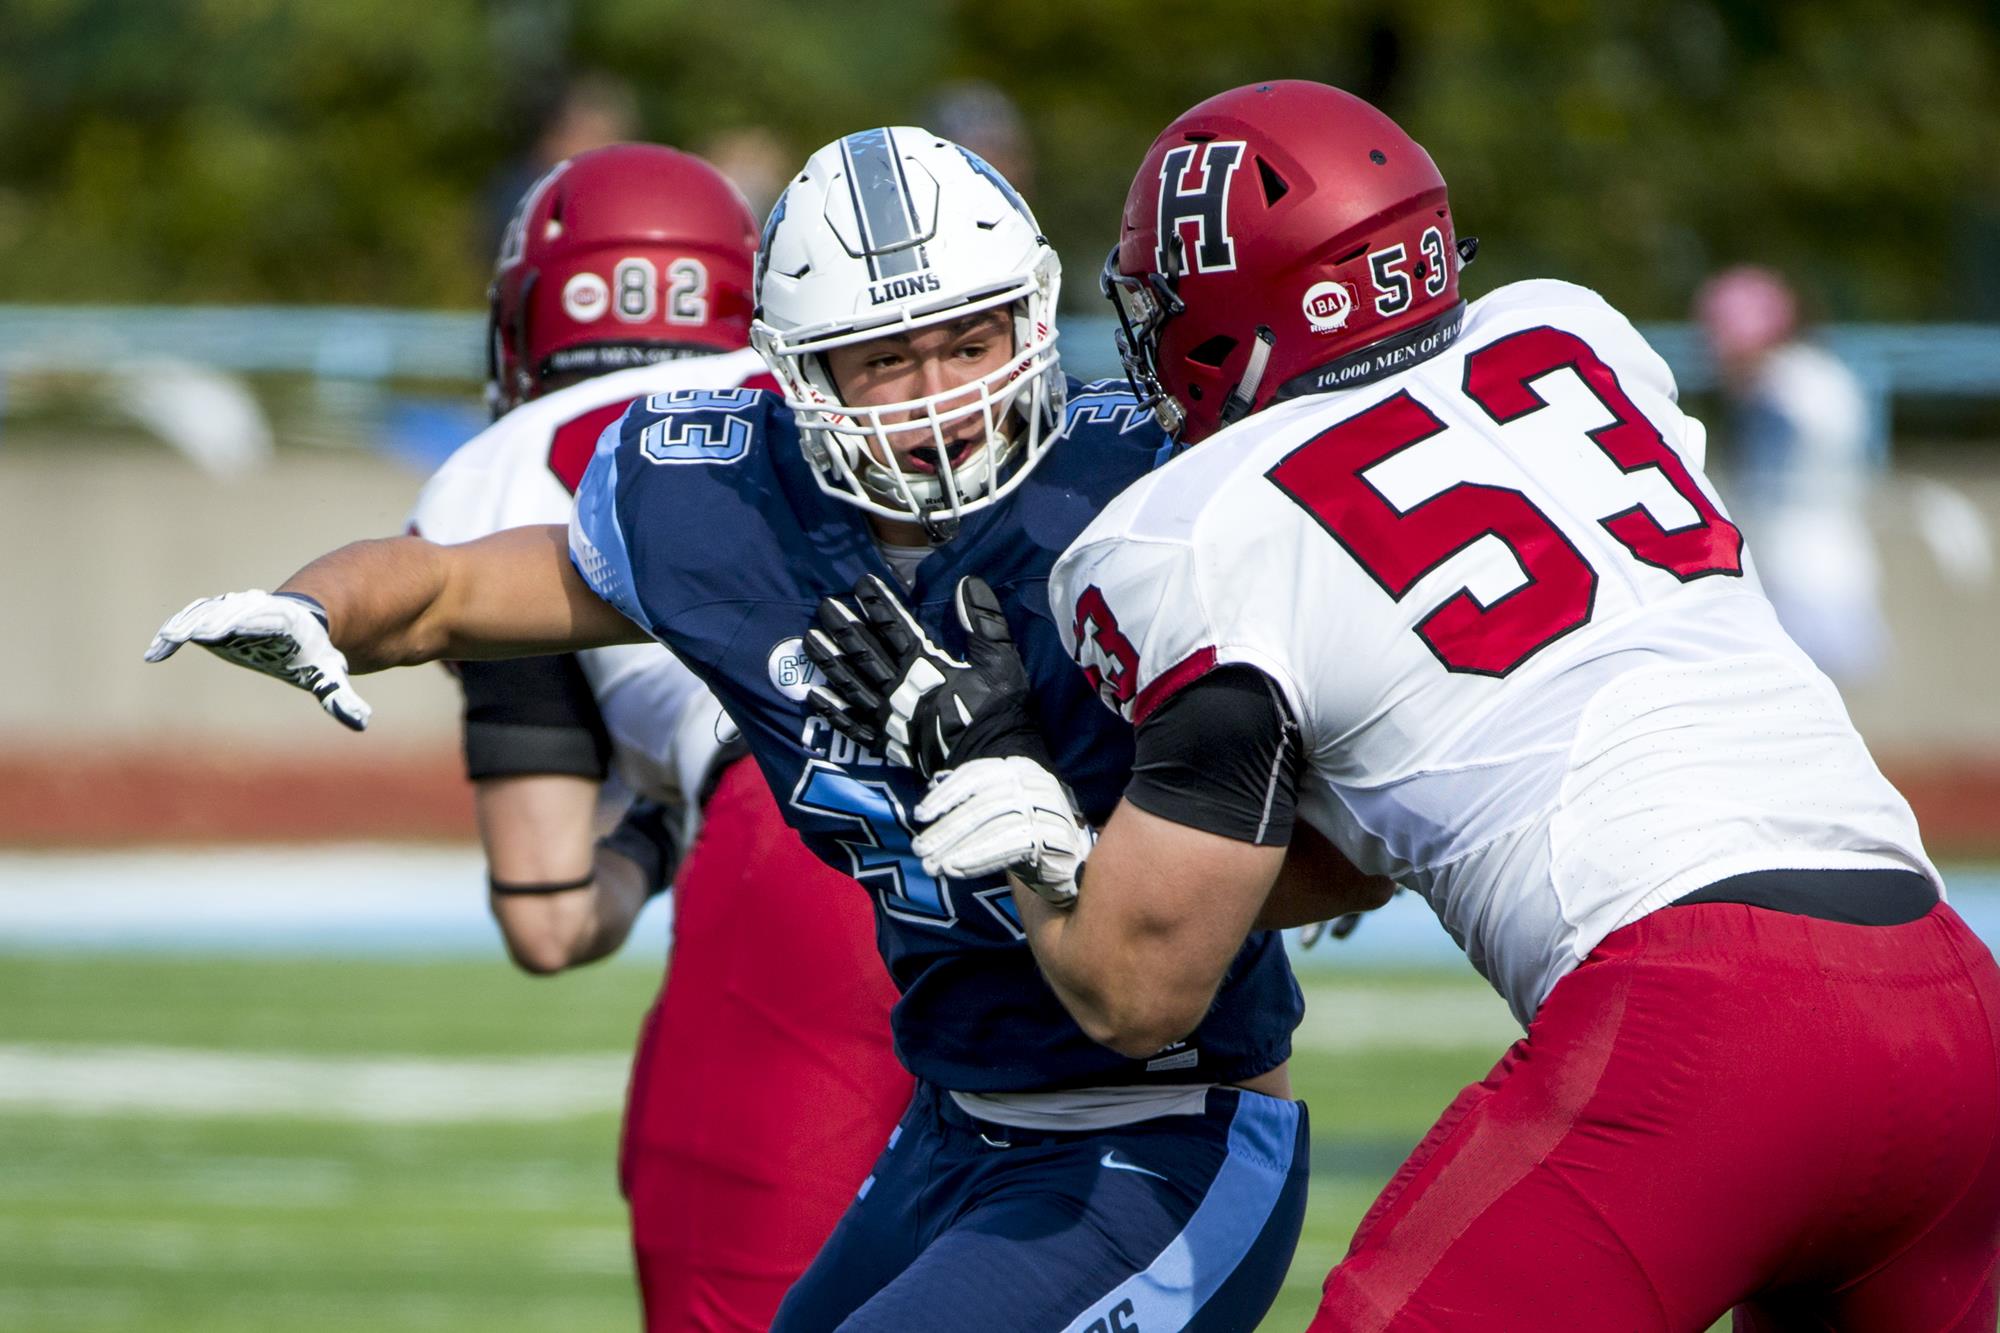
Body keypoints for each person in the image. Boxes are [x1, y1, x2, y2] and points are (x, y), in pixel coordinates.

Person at [811, 82, 2000, 1330]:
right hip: (1950, 1011)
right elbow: (1398, 795)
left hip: (1707, 1022)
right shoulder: (1572, 336)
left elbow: (1134, 991)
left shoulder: (1193, 523)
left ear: (1229, 309)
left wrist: (1000, 777)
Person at [146, 128, 1344, 1332]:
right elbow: (451, 588)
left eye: (969, 342)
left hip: (1159, 1138)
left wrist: (1213, 844)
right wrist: (315, 607)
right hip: (955, 1124)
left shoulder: (1139, 500)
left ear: (1030, 321)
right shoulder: (731, 503)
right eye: (884, 361)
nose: (944, 397)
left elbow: (1324, 833)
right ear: (794, 371)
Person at [427, 142, 913, 1332]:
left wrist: (651, 826)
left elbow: (549, 913)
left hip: (802, 840)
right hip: (1032, 806)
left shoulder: (512, 473)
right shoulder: (834, 396)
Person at [1694, 264, 1887, 683]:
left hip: (1789, 569)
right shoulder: (1828, 376)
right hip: (1844, 560)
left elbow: (1760, 488)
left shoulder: (1774, 391)